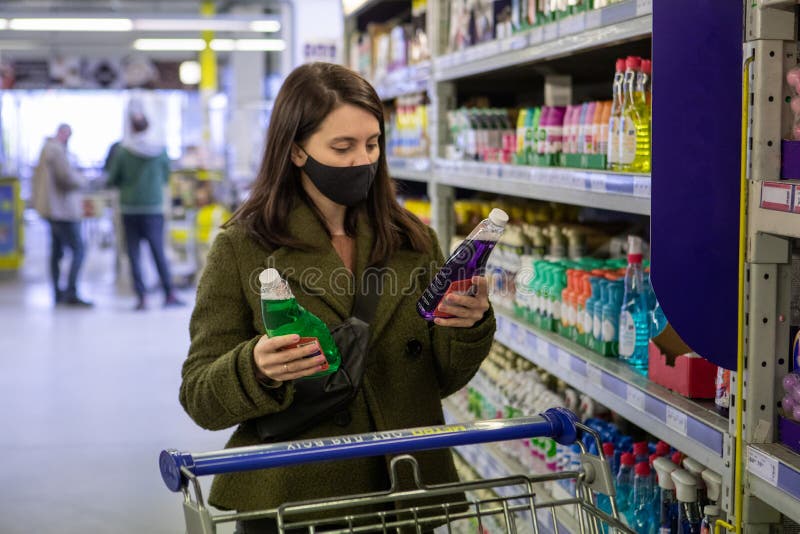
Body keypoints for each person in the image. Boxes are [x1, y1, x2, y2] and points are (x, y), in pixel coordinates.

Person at [179, 62, 496, 534]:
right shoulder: (243, 247)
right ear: (297, 150)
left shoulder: (414, 241)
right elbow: (200, 395)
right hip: (296, 503)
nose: (362, 161)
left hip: (404, 491)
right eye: (342, 147)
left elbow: (437, 381)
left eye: (372, 144)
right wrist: (257, 368)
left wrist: (468, 325)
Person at [106, 112, 183, 310]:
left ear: (131, 127)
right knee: (158, 251)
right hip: (154, 207)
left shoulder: (123, 151)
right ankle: (169, 294)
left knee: (133, 253)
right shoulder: (160, 150)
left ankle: (141, 297)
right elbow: (166, 176)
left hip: (129, 208)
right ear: (148, 126)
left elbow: (113, 178)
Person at [31, 124, 93, 307]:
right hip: (62, 210)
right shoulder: (56, 150)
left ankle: (58, 293)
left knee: (56, 252)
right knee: (79, 250)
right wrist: (84, 180)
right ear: (63, 134)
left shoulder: (46, 149)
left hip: (51, 209)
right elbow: (66, 178)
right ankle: (71, 291)